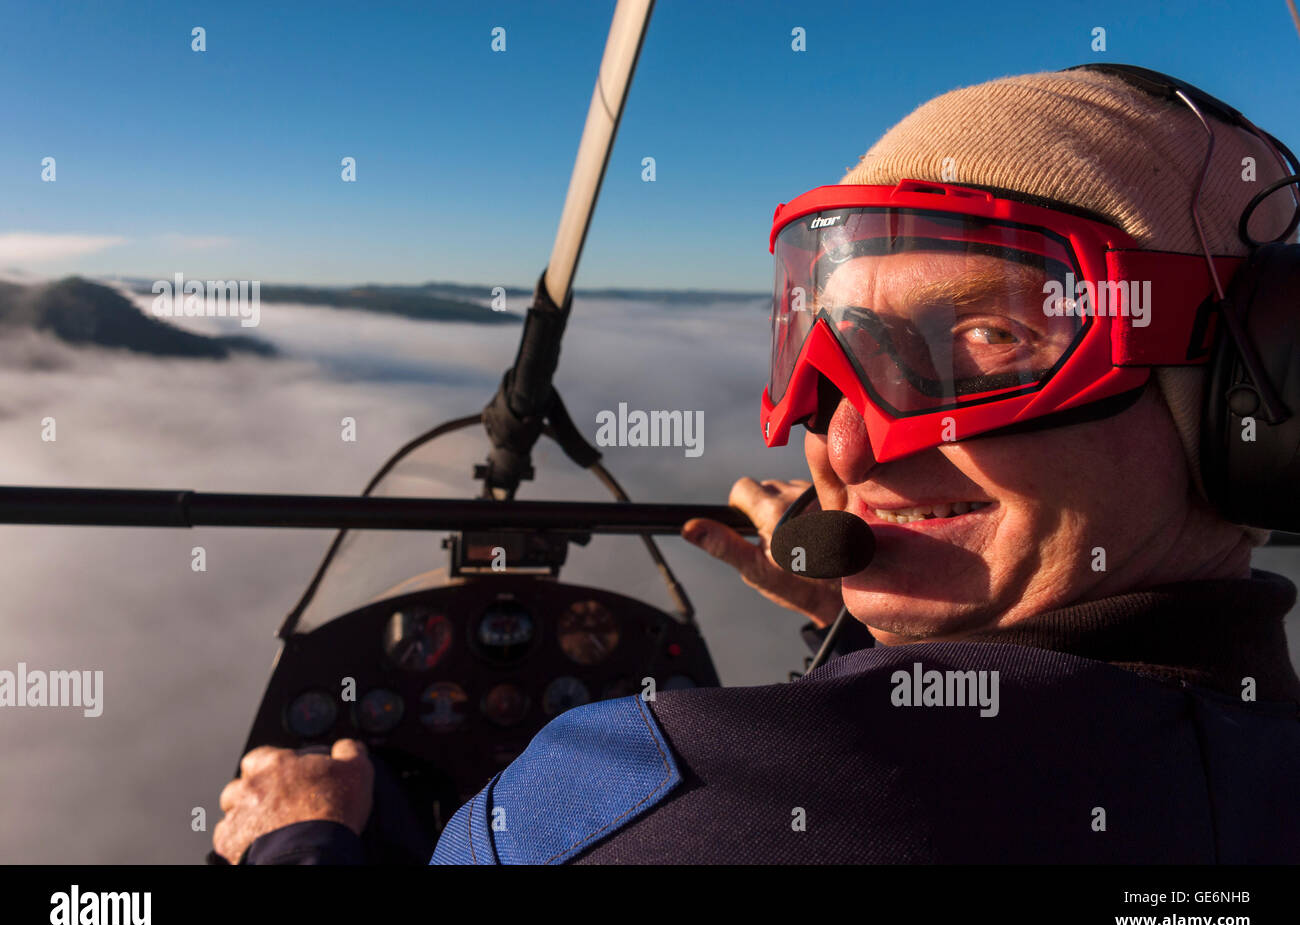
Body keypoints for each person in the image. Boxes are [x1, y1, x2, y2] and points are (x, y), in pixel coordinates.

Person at [215, 64, 1300, 865]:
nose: (844, 443)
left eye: (990, 338)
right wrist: (863, 631)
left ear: (1259, 397)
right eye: (830, 356)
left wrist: (299, 839)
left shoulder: (645, 794)